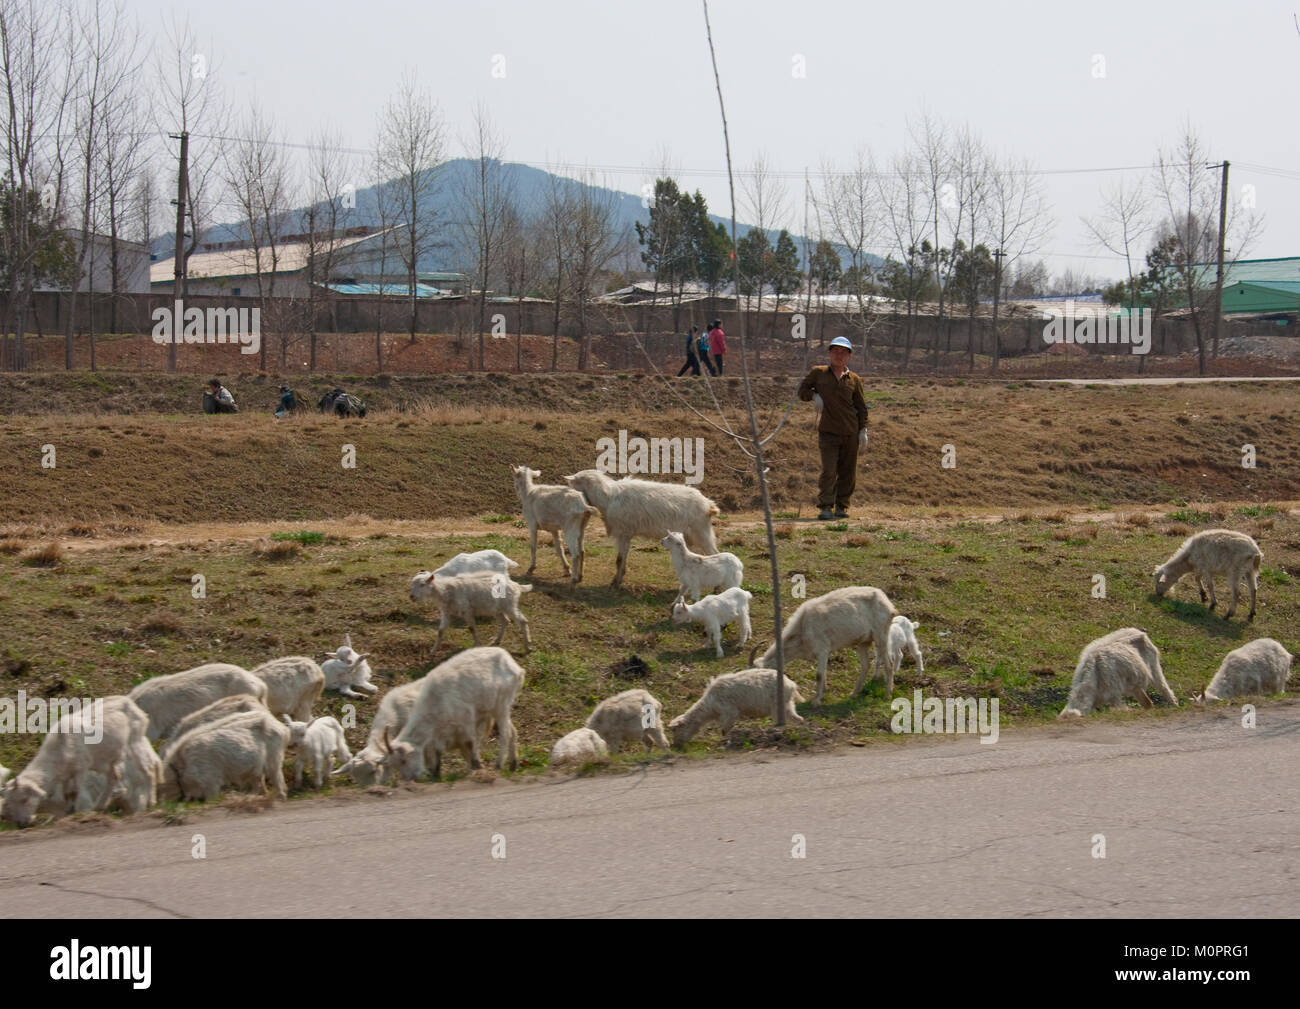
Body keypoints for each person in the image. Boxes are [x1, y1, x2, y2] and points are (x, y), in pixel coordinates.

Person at [797, 335, 868, 520]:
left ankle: (842, 507)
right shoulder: (818, 373)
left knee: (847, 471)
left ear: (849, 356)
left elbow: (861, 406)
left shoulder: (854, 379)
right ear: (829, 353)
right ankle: (826, 506)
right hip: (828, 432)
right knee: (829, 470)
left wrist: (863, 430)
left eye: (843, 352)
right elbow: (802, 391)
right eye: (835, 351)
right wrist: (814, 396)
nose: (839, 355)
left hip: (850, 432)